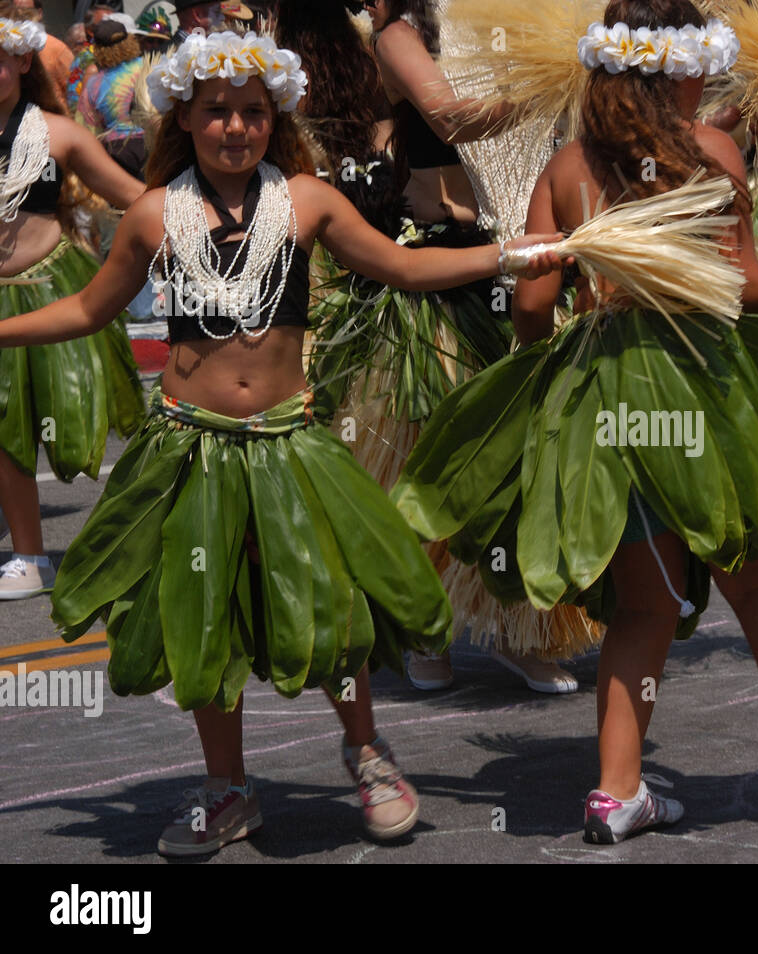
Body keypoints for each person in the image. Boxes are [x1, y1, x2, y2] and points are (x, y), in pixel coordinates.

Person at [394, 0, 758, 843]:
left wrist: (550, 360)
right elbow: (746, 286)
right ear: (678, 70)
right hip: (705, 388)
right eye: (704, 66)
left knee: (642, 608)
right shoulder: (712, 155)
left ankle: (617, 794)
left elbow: (535, 299)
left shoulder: (568, 168)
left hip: (609, 399)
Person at [0, 28, 565, 854]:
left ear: (277, 119)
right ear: (183, 120)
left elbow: (401, 270)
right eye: (217, 111)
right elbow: (90, 310)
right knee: (206, 614)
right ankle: (228, 789)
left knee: (330, 603)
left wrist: (508, 253)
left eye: (253, 112)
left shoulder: (307, 201)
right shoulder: (155, 215)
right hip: (189, 446)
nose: (235, 127)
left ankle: (367, 752)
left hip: (287, 442)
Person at [360, 0, 591, 693]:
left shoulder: (518, 22)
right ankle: (426, 628)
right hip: (442, 270)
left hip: (524, 251)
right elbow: (452, 118)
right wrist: (546, 82)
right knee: (436, 454)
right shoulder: (400, 31)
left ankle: (514, 625)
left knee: (518, 451)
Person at [0, 6, 146, 601]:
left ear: (21, 60)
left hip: (50, 289)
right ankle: (30, 554)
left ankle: (95, 547)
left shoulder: (58, 134)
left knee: (45, 430)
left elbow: (134, 197)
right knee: (2, 432)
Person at [77, 17, 147, 179]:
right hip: (154, 143)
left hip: (118, 153)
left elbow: (87, 127)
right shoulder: (149, 65)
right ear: (130, 40)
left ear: (98, 50)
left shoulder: (94, 83)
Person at [13, 1, 71, 106]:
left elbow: (74, 90)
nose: (21, 15)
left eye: (27, 11)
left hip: (53, 116)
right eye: (16, 10)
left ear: (39, 13)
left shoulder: (57, 49)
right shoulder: (8, 49)